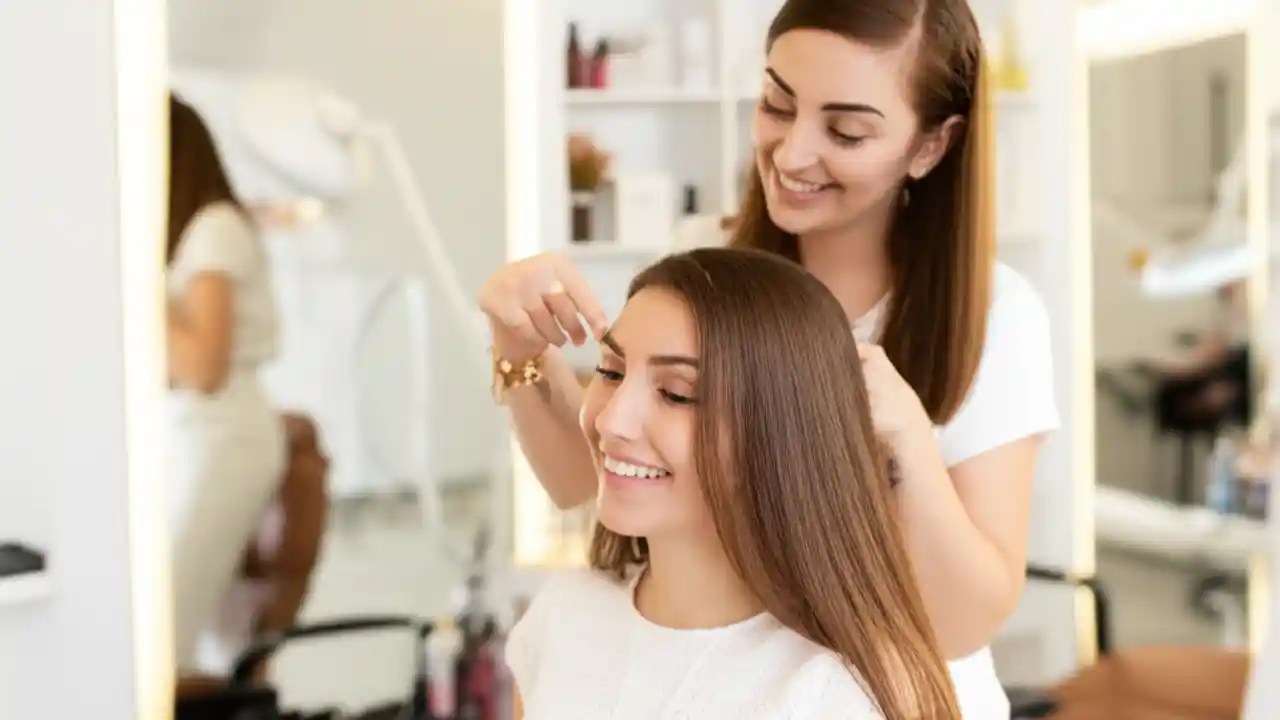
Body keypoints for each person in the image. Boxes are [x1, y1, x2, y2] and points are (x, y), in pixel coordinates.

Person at [481, 0, 1056, 716]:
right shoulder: (708, 259)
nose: (791, 153)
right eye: (778, 106)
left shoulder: (993, 317)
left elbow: (963, 622)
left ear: (931, 145)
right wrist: (519, 346)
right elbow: (595, 478)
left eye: (844, 130)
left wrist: (904, 437)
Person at [506, 249, 959, 719]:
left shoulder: (830, 694)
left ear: (780, 434)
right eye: (611, 372)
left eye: (677, 394)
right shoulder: (565, 618)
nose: (612, 420)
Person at [165, 95, 286, 676]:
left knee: (163, 633)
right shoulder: (199, 232)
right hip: (205, 439)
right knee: (211, 641)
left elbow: (202, 366)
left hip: (224, 442)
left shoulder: (212, 228)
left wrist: (134, 277)